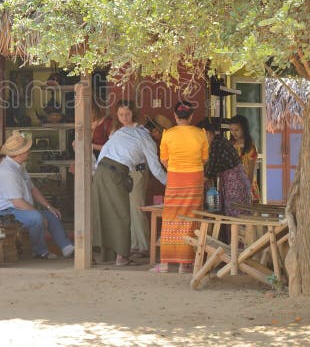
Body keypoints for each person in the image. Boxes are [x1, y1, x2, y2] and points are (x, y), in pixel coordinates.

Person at [93, 101, 167, 266]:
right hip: (115, 172)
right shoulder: (145, 137)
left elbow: (105, 150)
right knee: (122, 214)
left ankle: (103, 255)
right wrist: (172, 184)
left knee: (103, 212)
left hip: (101, 170)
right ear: (155, 131)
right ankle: (121, 257)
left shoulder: (124, 131)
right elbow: (155, 168)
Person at [0, 131, 74, 259]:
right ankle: (40, 252)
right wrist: (39, 214)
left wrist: (49, 207)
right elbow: (17, 202)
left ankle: (67, 247)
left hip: (16, 209)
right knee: (36, 217)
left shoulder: (19, 166)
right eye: (27, 149)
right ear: (19, 154)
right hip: (3, 212)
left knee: (52, 214)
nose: (29, 151)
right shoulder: (7, 171)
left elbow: (33, 189)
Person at [151, 101, 209, 273]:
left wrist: (175, 169)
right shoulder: (201, 133)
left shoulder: (167, 134)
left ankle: (166, 263)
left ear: (175, 116)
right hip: (195, 178)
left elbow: (164, 159)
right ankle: (186, 263)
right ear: (191, 116)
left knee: (172, 217)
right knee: (191, 218)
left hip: (175, 178)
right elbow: (204, 159)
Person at [199, 119, 252, 217]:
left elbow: (208, 173)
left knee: (236, 220)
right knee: (233, 217)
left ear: (206, 133)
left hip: (235, 185)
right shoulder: (218, 141)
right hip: (233, 184)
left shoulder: (217, 145)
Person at [229, 115, 260, 203]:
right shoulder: (230, 144)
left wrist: (247, 188)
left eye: (237, 130)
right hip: (232, 186)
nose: (233, 133)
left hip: (246, 185)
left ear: (244, 129)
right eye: (231, 130)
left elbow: (251, 172)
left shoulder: (250, 147)